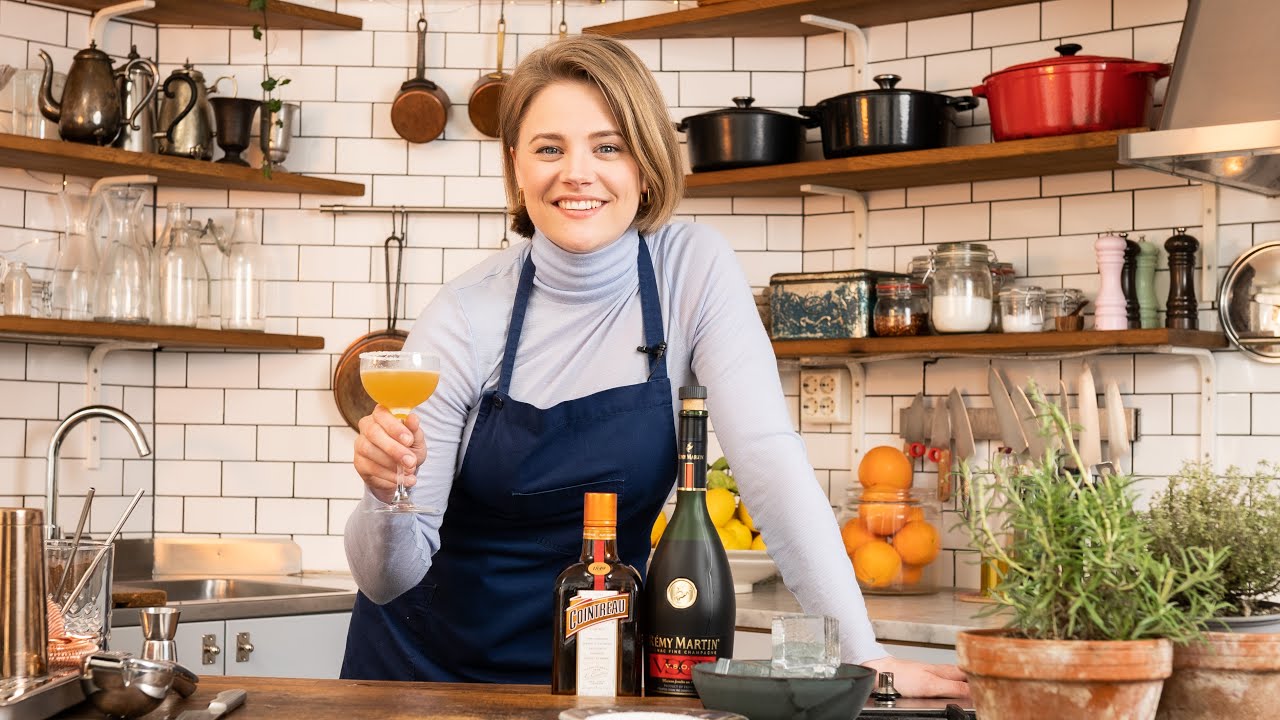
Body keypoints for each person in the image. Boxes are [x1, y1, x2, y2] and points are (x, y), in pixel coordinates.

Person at [341, 34, 968, 698]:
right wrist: (383, 497)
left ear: (646, 165)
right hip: (425, 682)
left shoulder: (690, 270)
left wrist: (861, 653)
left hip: (602, 676)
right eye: (549, 148)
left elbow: (768, 461)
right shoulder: (466, 313)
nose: (576, 173)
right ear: (517, 167)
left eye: (608, 147)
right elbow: (388, 577)